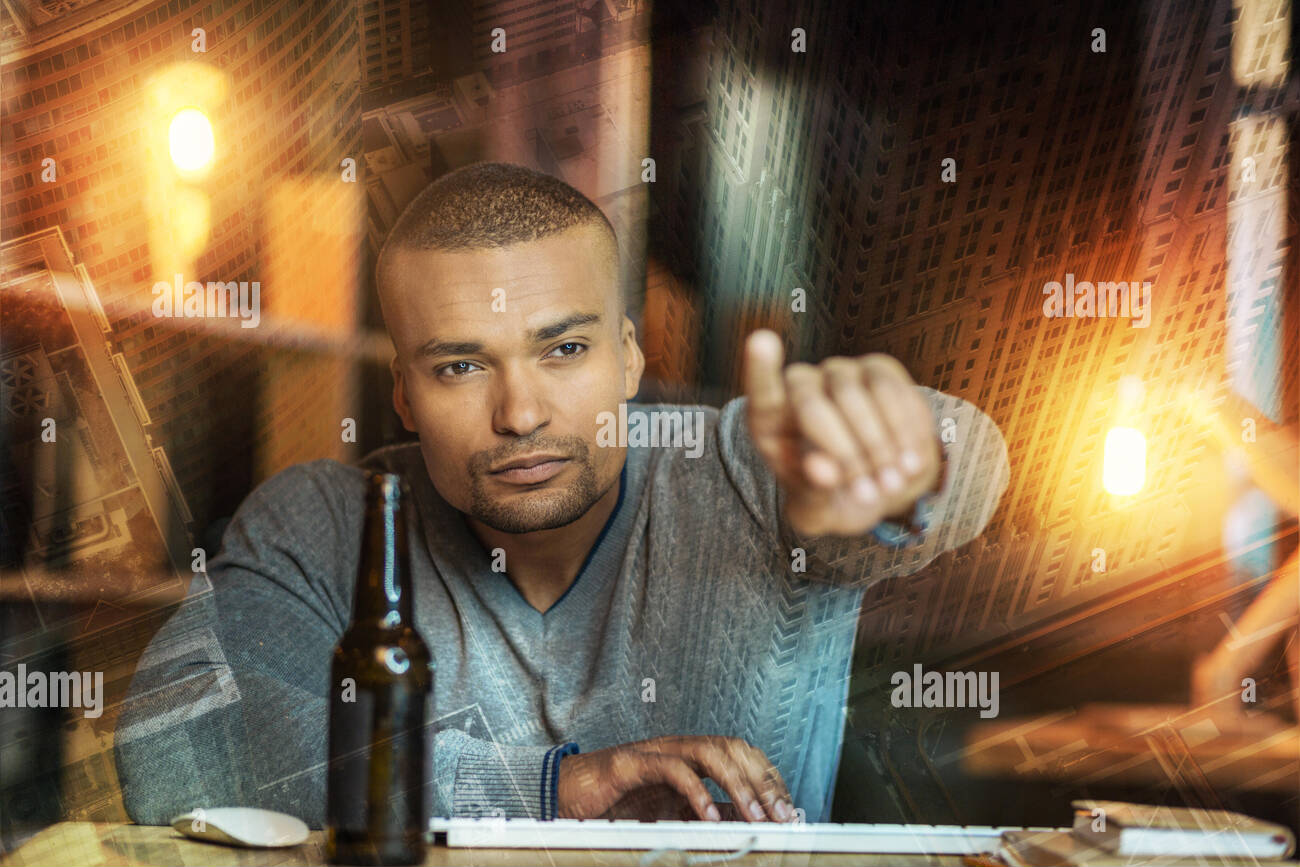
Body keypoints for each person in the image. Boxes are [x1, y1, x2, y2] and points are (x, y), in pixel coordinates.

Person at [114, 161, 1010, 827]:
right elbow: (178, 742)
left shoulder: (755, 472)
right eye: (461, 365)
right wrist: (552, 787)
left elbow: (961, 470)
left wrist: (901, 465)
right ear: (403, 392)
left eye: (564, 350)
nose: (520, 413)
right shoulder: (324, 523)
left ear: (629, 355)